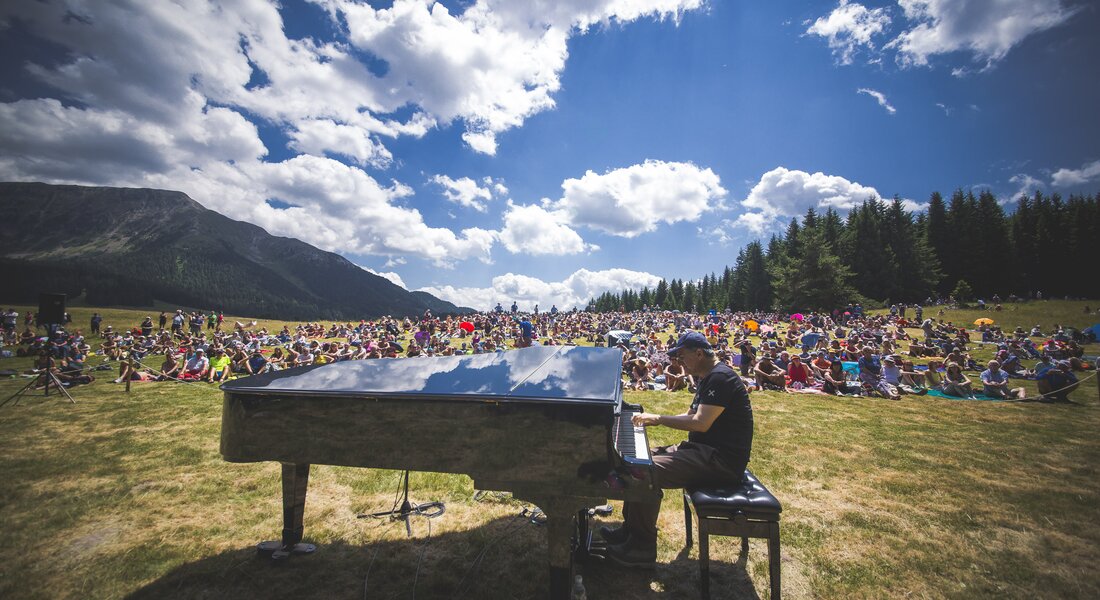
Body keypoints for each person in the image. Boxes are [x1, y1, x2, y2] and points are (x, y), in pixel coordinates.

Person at [598, 331, 752, 568]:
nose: (679, 363)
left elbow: (701, 423)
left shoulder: (721, 378)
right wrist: (652, 418)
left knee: (644, 471)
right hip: (704, 450)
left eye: (682, 357)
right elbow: (691, 415)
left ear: (699, 353)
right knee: (638, 459)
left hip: (720, 460)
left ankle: (642, 547)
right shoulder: (709, 376)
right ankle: (630, 530)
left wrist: (658, 418)